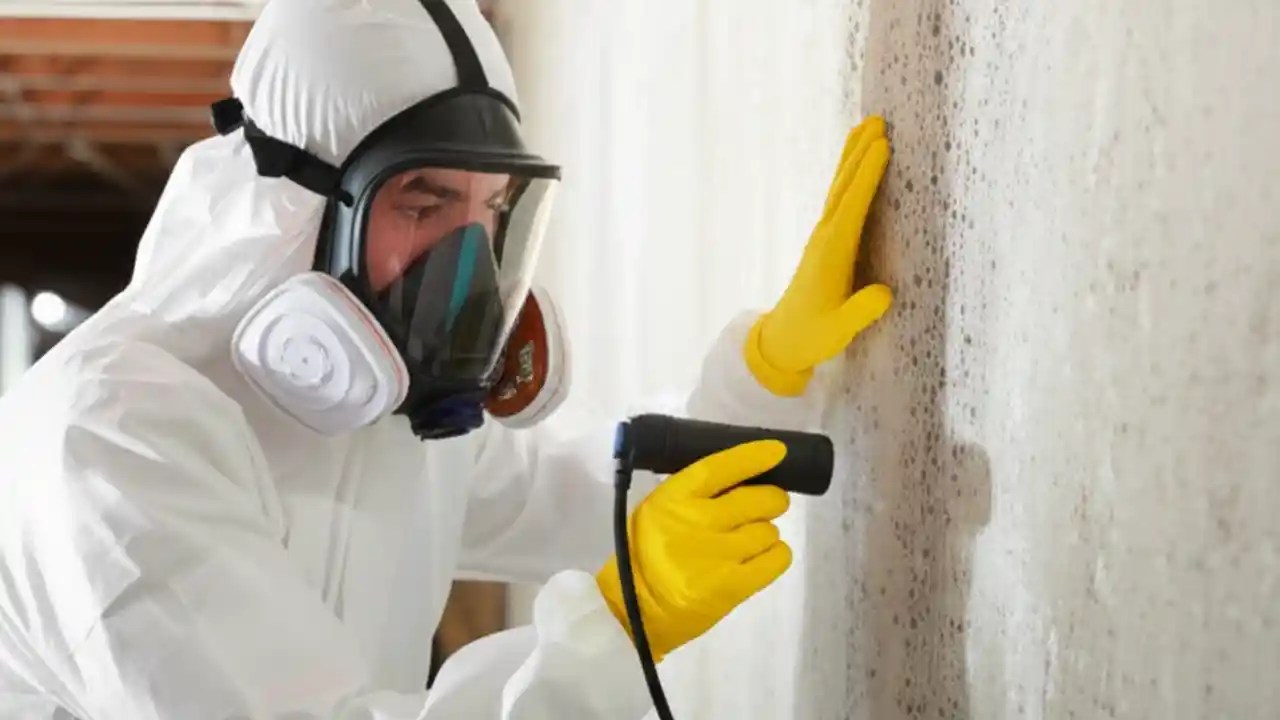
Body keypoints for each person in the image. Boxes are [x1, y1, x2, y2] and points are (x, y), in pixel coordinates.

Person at [0, 0, 893, 718]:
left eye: (491, 210)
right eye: (424, 202)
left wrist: (765, 370)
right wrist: (612, 630)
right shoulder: (110, 440)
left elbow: (586, 501)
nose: (467, 271)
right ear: (300, 205)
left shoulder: (384, 414)